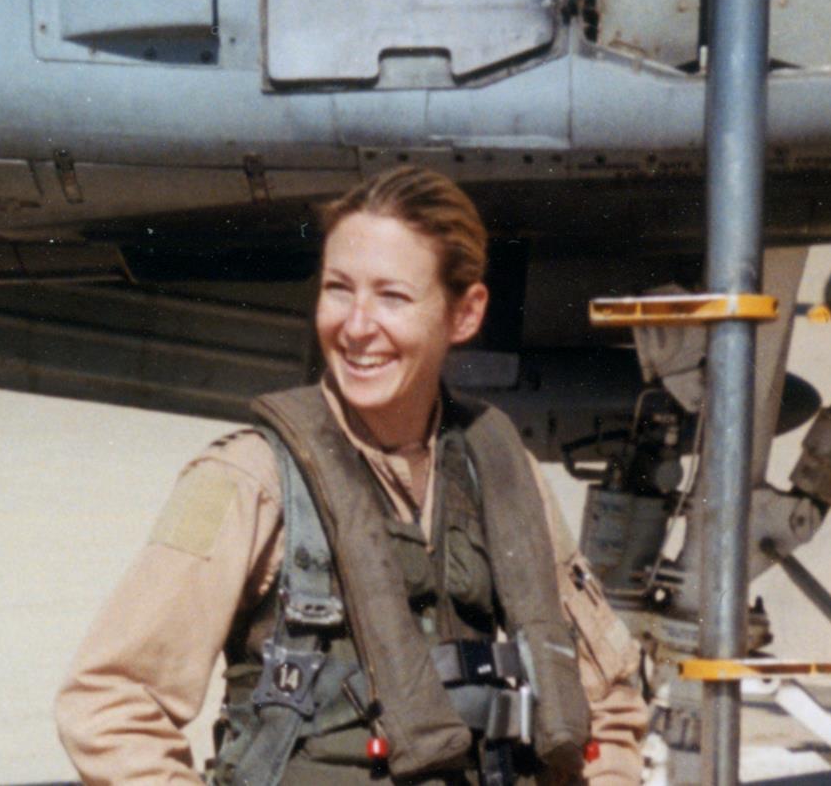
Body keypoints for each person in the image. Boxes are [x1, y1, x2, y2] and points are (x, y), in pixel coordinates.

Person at [56, 167, 649, 784]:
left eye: (392, 297)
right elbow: (110, 703)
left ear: (465, 313)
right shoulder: (249, 477)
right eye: (339, 289)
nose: (357, 326)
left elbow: (606, 698)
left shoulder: (499, 470)